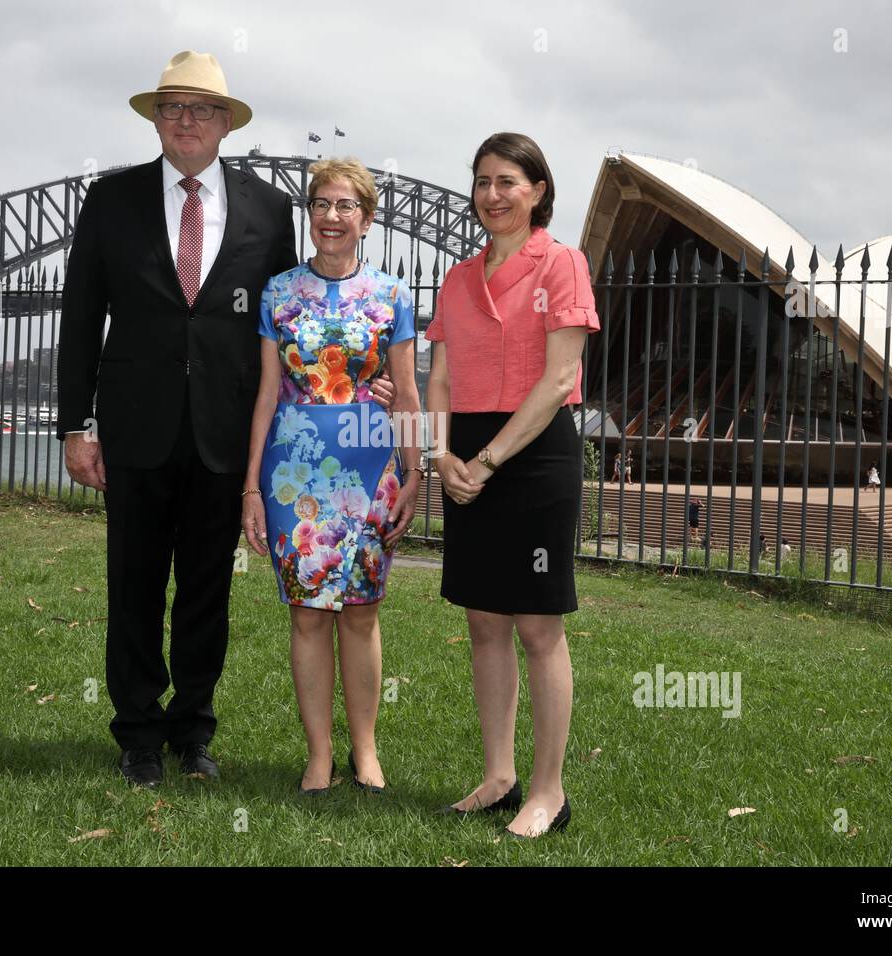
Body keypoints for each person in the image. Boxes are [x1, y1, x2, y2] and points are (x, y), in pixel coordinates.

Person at [55, 51, 394, 790]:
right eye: (172, 107)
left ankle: (193, 730)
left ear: (223, 124)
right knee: (134, 585)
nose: (186, 120)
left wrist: (370, 386)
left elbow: (290, 317)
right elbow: (81, 315)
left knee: (208, 590)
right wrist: (75, 424)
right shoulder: (111, 200)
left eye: (201, 109)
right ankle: (138, 732)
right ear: (156, 119)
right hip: (137, 426)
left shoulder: (270, 209)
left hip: (225, 429)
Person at [425, 132, 599, 839]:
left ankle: (549, 792)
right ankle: (499, 777)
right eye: (482, 182)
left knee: (537, 625)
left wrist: (487, 461)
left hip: (530, 458)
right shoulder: (457, 279)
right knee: (483, 622)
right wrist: (439, 455)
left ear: (538, 192)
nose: (492, 195)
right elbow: (437, 377)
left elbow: (559, 379)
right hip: (463, 452)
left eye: (507, 182)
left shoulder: (562, 264)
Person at [243, 159, 421, 796]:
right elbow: (266, 393)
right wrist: (250, 489)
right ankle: (319, 754)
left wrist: (415, 470)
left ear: (367, 220)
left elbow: (407, 393)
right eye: (321, 204)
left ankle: (365, 750)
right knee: (308, 616)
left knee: (362, 614)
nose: (332, 216)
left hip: (370, 466)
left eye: (346, 206)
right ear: (309, 214)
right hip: (294, 474)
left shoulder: (394, 295)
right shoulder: (277, 294)